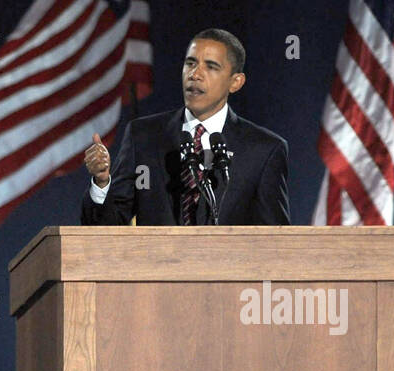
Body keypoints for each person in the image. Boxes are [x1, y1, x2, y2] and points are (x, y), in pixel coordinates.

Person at [82, 29, 290, 226]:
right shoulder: (144, 135)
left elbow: (275, 240)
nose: (195, 74)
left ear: (235, 82)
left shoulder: (264, 150)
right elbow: (106, 226)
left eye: (211, 66)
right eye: (190, 63)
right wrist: (101, 182)